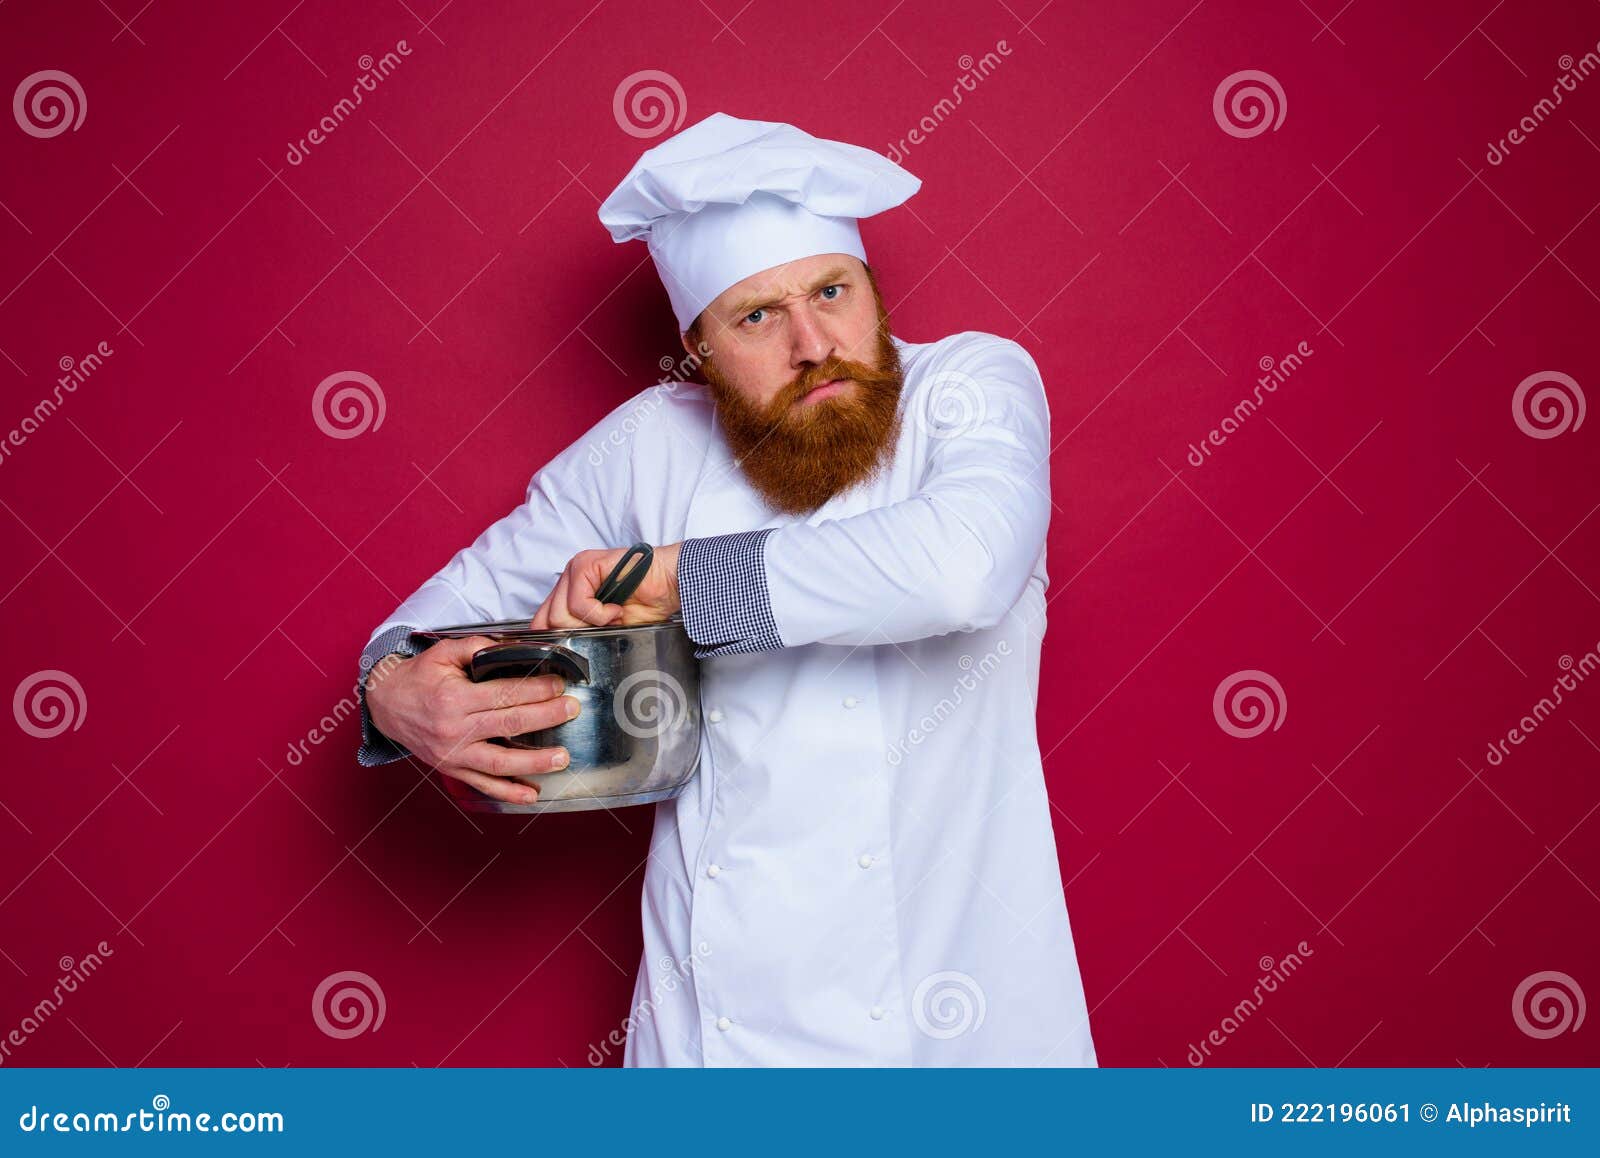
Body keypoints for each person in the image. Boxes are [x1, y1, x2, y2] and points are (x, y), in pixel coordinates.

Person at [357, 112, 1096, 1066]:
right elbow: (428, 622)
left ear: (872, 292)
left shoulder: (968, 386)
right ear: (698, 349)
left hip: (958, 1020)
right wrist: (392, 694)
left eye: (832, 292)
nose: (813, 343)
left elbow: (962, 571)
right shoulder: (651, 444)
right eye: (756, 317)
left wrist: (670, 580)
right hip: (714, 1034)